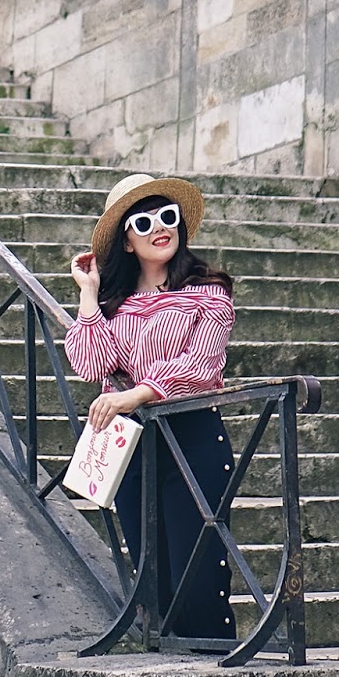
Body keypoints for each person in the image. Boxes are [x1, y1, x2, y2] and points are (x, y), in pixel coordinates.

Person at [65, 172, 237, 643]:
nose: (159, 228)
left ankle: (212, 669)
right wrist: (87, 293)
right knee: (151, 572)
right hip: (135, 447)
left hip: (193, 436)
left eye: (167, 216)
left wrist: (136, 394)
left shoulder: (209, 291)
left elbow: (201, 365)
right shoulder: (112, 305)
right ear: (125, 241)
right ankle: (164, 661)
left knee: (199, 572)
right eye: (143, 222)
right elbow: (90, 360)